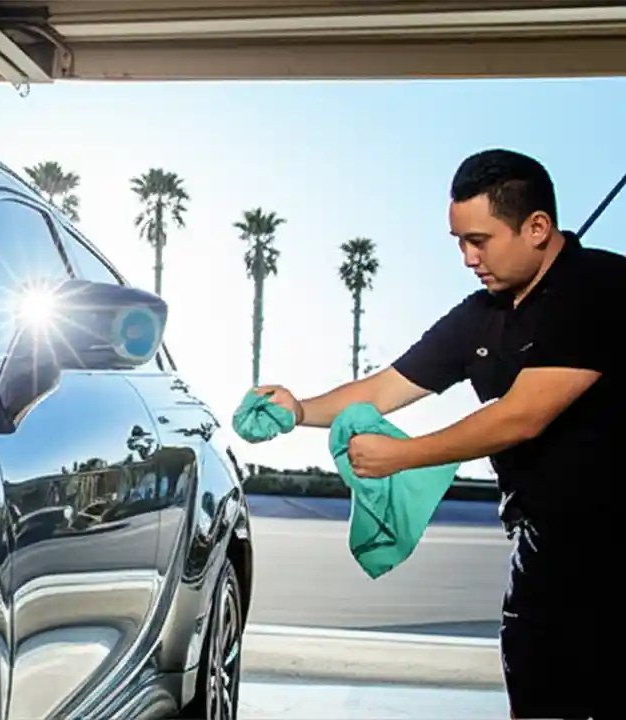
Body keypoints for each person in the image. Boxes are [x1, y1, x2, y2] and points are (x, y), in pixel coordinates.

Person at [254, 148, 614, 719]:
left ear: (537, 228)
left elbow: (521, 416)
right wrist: (299, 409)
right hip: (544, 550)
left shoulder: (602, 287)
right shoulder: (480, 315)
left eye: (480, 240)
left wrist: (404, 455)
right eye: (459, 243)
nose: (469, 258)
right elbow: (387, 387)